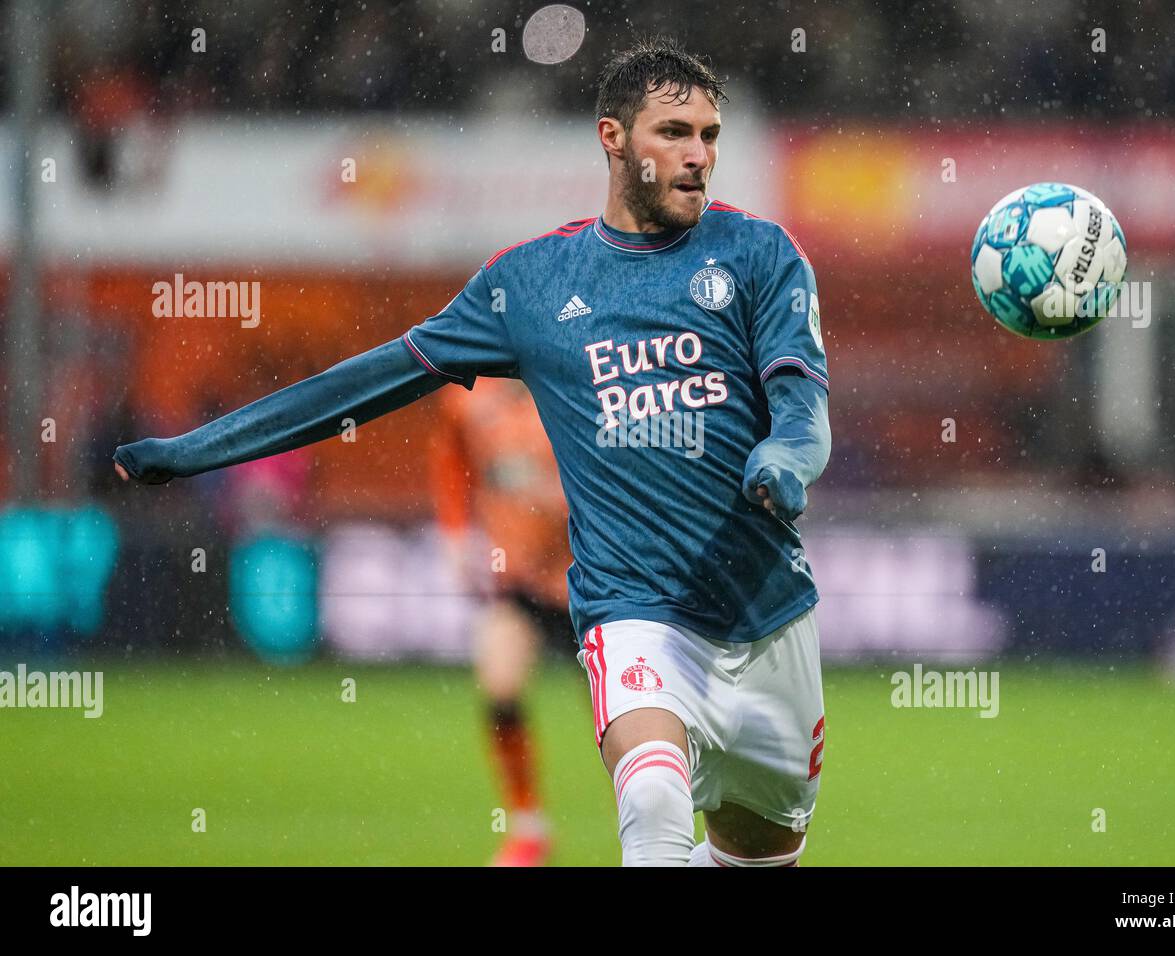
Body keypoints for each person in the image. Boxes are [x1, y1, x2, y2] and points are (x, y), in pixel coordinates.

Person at [114, 35, 832, 867]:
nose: (699, 155)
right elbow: (362, 385)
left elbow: (802, 404)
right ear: (612, 137)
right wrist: (199, 449)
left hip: (769, 616)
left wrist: (786, 457)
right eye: (674, 132)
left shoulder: (758, 256)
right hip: (636, 616)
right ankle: (533, 827)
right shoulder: (527, 283)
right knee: (652, 799)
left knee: (758, 858)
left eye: (710, 135)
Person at [427, 379, 572, 866]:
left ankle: (654, 817)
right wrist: (455, 535)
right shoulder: (466, 399)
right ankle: (528, 827)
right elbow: (451, 462)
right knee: (500, 686)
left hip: (592, 580)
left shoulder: (575, 373)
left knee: (620, 714)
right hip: (519, 579)